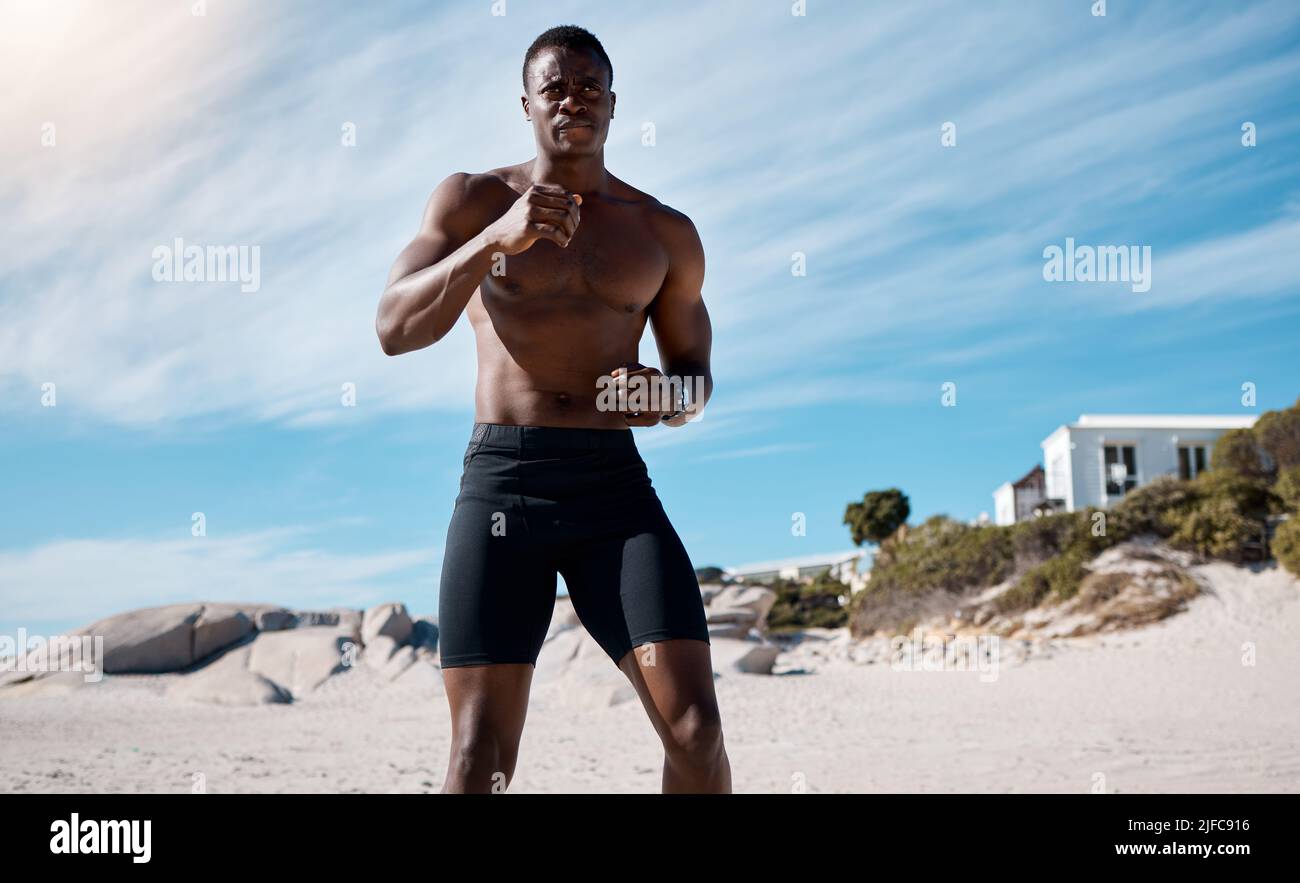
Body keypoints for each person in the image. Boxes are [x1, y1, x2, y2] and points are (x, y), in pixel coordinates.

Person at [375, 24, 729, 794]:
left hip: (614, 491)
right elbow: (394, 329)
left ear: (614, 102)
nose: (575, 100)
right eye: (556, 88)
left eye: (590, 87)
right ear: (526, 105)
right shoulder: (472, 199)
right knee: (479, 755)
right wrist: (496, 241)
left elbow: (695, 381)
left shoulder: (663, 232)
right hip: (506, 482)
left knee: (696, 733)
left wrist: (664, 398)